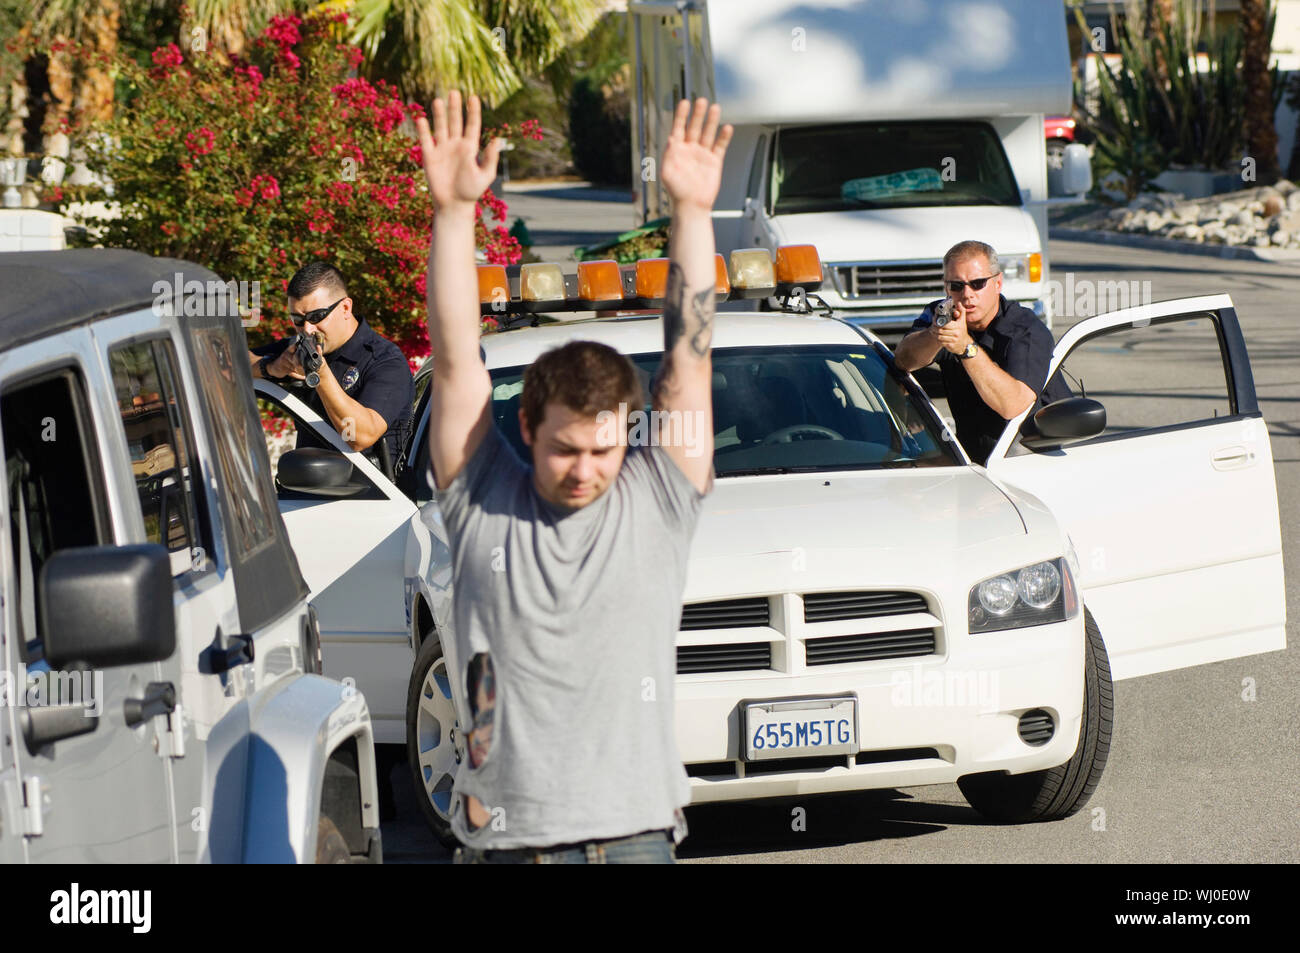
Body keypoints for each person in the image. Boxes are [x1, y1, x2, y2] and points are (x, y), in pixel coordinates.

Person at [417, 90, 731, 863]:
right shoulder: (482, 497)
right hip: (512, 842)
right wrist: (456, 215)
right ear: (527, 429)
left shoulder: (659, 497)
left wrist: (691, 211)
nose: (586, 470)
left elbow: (688, 361)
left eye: (604, 450)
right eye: (565, 450)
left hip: (635, 838)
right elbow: (458, 362)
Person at [893, 240, 1071, 465]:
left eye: (977, 284)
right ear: (946, 287)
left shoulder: (1024, 329)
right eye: (956, 286)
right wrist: (935, 335)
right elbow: (903, 361)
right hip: (974, 460)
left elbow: (1013, 405)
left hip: (1034, 458)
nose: (967, 294)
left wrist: (967, 349)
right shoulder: (942, 314)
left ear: (997, 283)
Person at [248, 261, 414, 471]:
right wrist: (270, 367)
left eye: (316, 317)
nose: (307, 329)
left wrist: (321, 374)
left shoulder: (384, 360)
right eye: (297, 319)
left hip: (367, 498)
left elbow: (359, 436)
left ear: (345, 307)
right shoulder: (295, 349)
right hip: (310, 493)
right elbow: (226, 364)